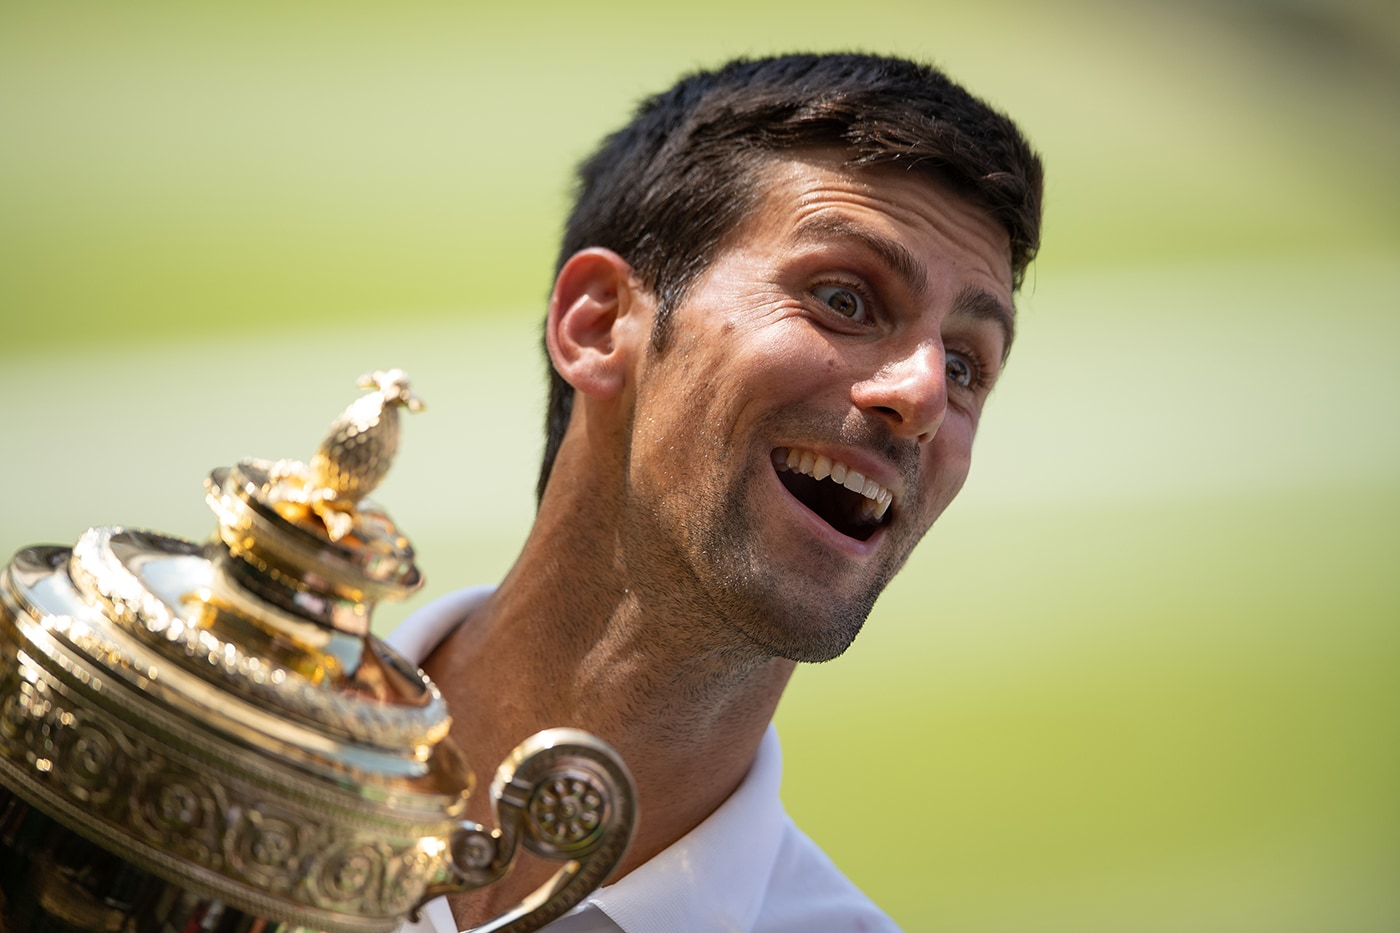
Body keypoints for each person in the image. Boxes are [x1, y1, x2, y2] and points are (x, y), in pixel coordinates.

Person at [393, 52, 1043, 932]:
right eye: (845, 298)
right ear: (599, 324)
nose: (924, 395)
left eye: (966, 364)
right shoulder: (190, 730)